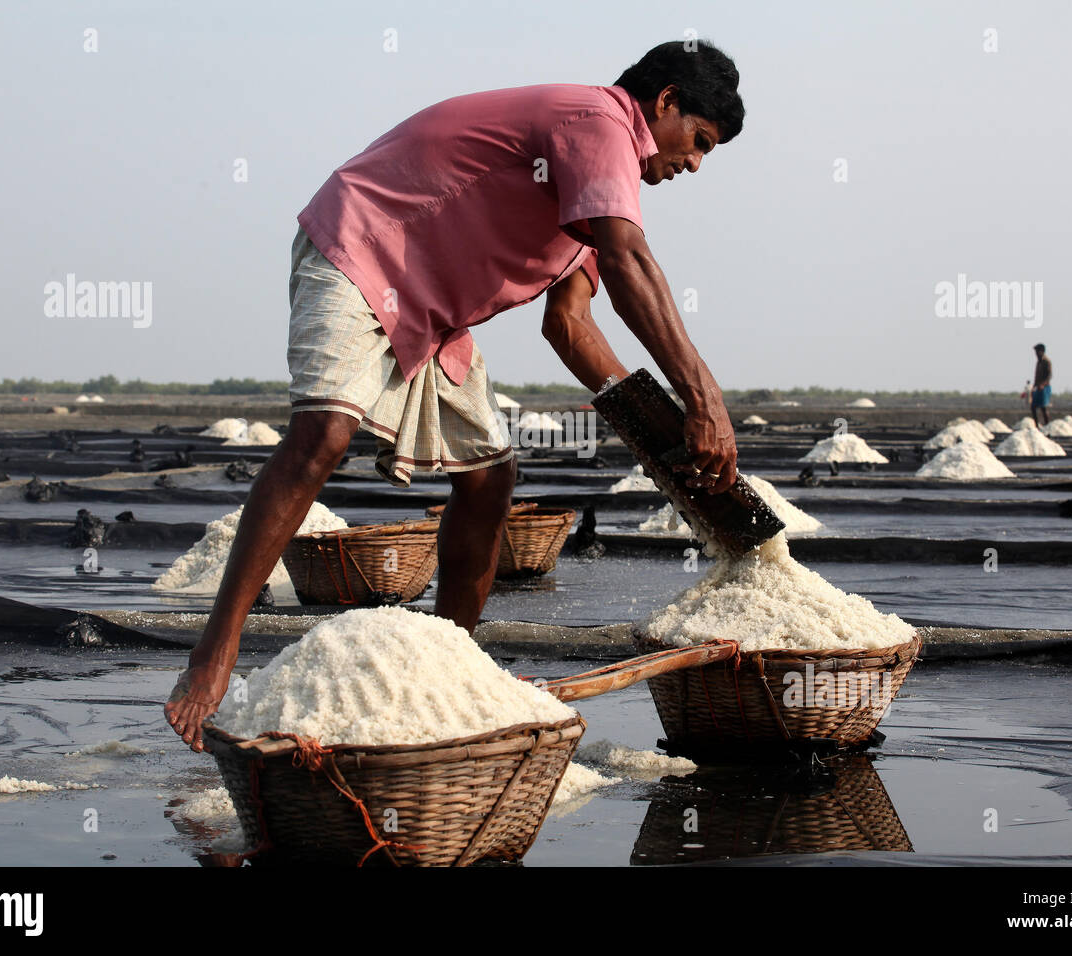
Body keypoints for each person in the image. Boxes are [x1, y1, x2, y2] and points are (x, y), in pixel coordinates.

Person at [165, 41, 745, 751]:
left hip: (434, 313)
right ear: (665, 103)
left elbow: (570, 327)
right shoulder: (597, 121)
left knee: (490, 477)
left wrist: (658, 432)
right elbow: (630, 264)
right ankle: (214, 654)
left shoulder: (598, 198)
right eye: (699, 142)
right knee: (324, 435)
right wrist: (705, 401)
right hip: (365, 248)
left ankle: (449, 664)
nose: (691, 164)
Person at [1031, 343, 1052, 426]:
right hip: (1037, 387)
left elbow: (1049, 376)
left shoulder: (1046, 361)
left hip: (1045, 388)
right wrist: (1034, 386)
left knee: (1043, 408)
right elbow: (1036, 376)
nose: (1036, 354)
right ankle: (1037, 426)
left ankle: (1047, 426)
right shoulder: (1038, 362)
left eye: (1037, 351)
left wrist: (1043, 385)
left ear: (1042, 351)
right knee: (1033, 407)